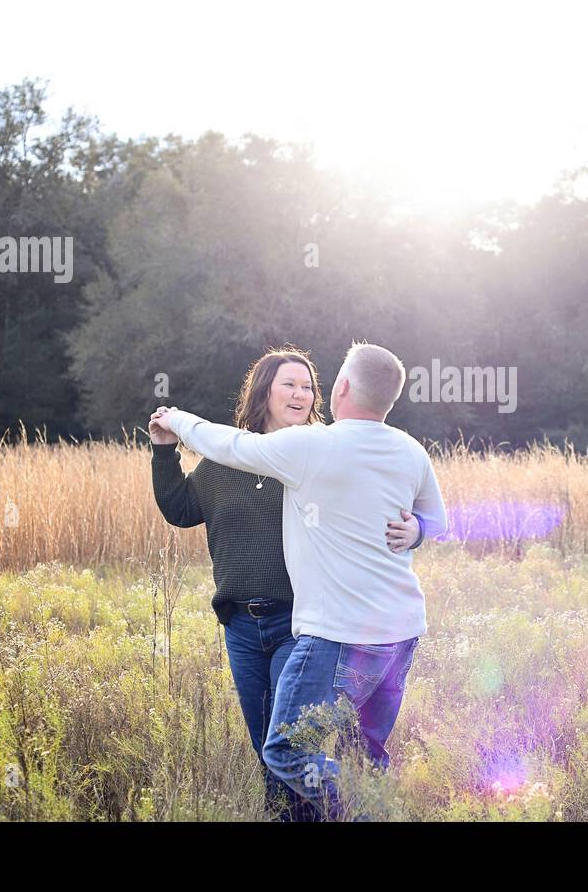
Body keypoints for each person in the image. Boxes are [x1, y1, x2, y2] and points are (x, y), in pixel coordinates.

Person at [149, 341, 447, 818]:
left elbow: (233, 443)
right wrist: (166, 453)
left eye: (309, 385)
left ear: (336, 390)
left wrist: (416, 529)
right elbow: (185, 505)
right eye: (288, 384)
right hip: (273, 625)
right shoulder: (393, 449)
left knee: (289, 749)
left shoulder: (316, 447)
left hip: (313, 626)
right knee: (310, 749)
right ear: (263, 391)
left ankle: (363, 811)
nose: (301, 393)